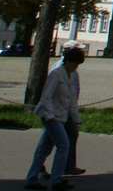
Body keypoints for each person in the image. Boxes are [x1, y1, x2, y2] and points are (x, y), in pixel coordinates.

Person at [24, 46, 82, 190]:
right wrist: (49, 116)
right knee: (63, 145)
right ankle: (56, 180)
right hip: (51, 116)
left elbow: (71, 101)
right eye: (74, 63)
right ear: (67, 61)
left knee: (43, 149)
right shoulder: (56, 73)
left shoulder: (69, 76)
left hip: (60, 116)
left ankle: (31, 179)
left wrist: (76, 118)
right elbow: (46, 96)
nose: (75, 67)